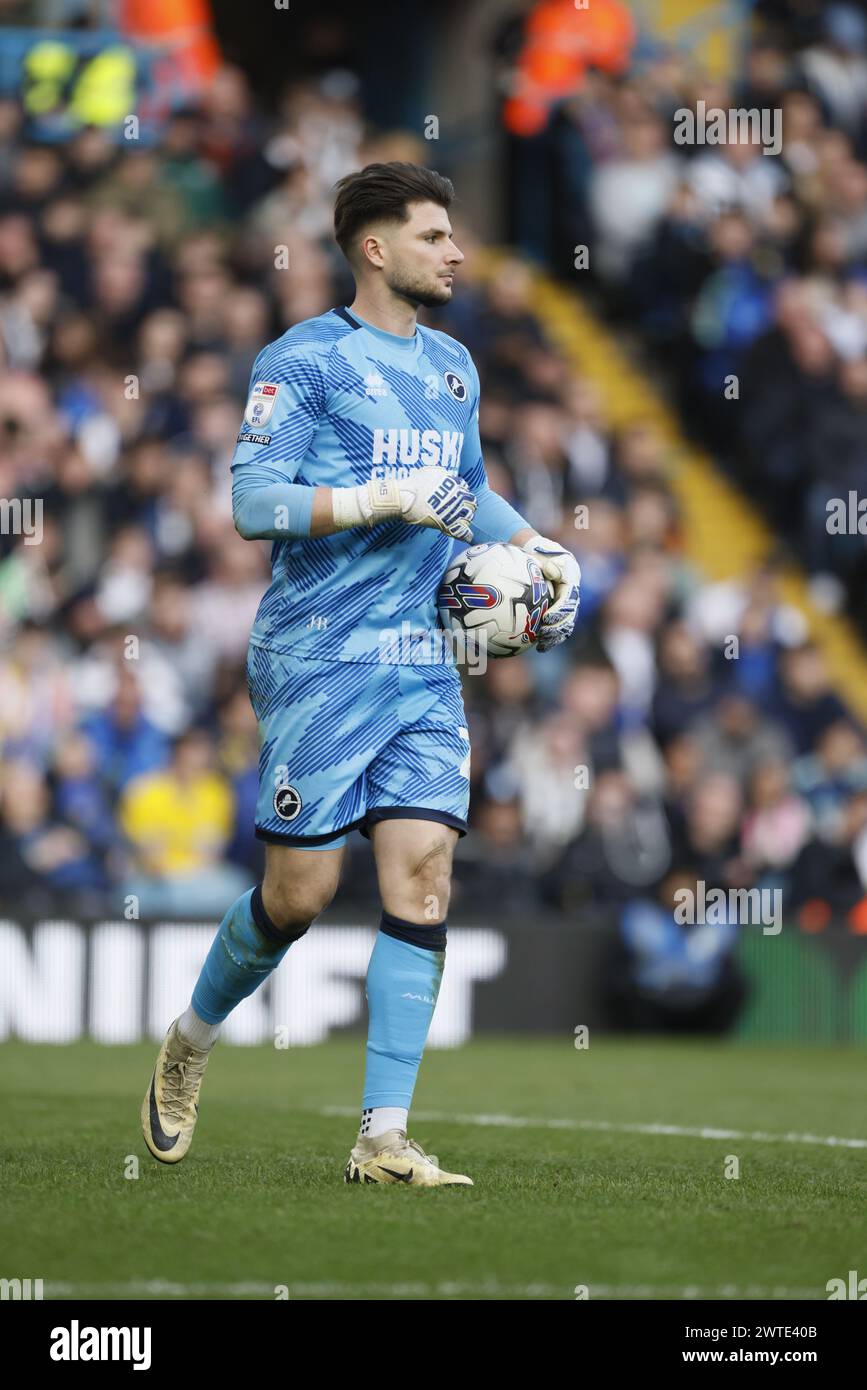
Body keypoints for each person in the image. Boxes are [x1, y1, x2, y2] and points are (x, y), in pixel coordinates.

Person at [140, 161, 581, 1186]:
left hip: (427, 657)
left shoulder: (457, 367)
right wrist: (382, 497)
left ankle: (383, 1135)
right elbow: (252, 502)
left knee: (424, 874)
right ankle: (191, 1040)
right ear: (375, 249)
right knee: (298, 893)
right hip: (319, 656)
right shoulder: (305, 362)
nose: (458, 252)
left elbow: (468, 492)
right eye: (435, 236)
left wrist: (545, 549)